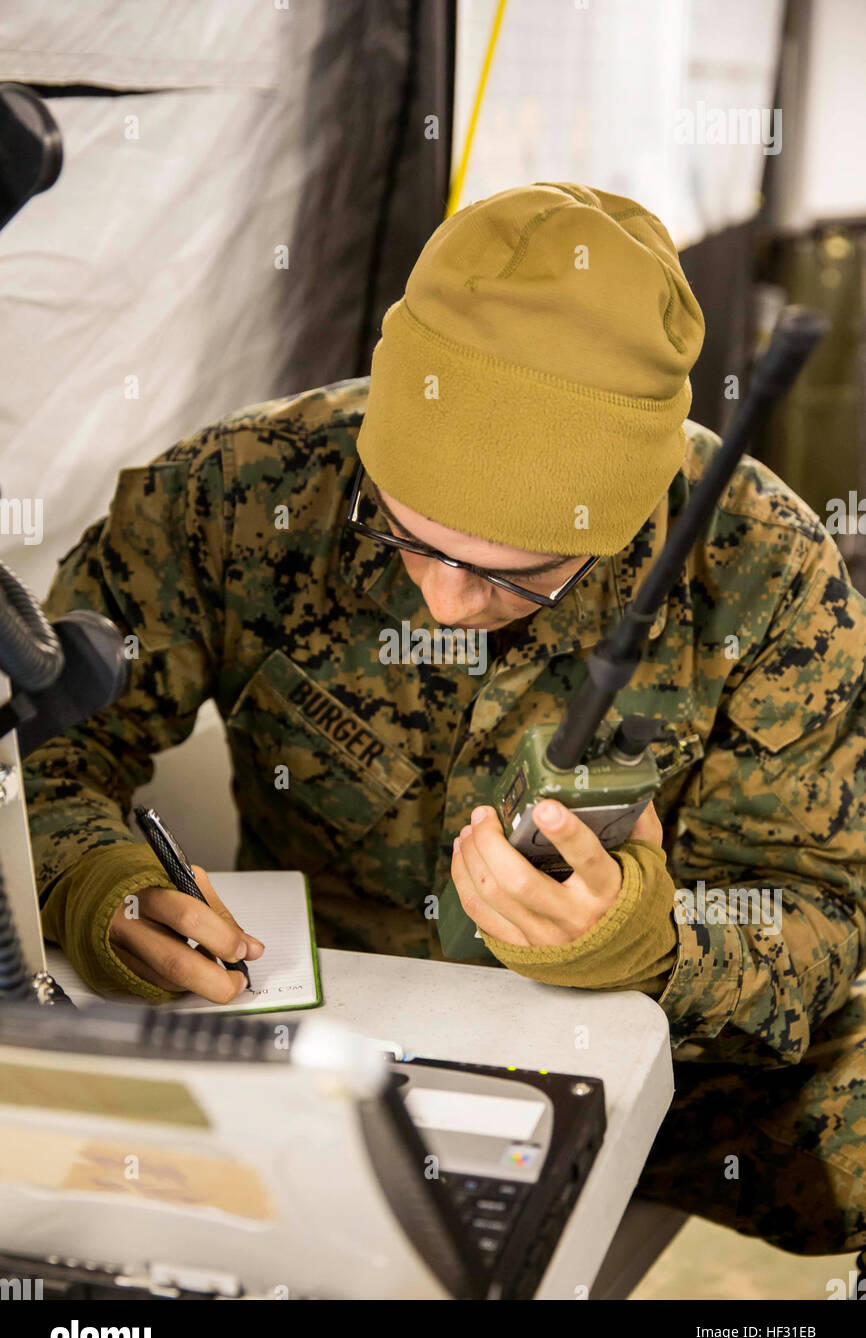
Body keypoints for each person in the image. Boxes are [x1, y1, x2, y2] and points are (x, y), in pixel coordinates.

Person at [23, 183, 866, 1263]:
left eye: (518, 575)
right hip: (306, 1029)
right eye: (406, 536)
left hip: (646, 1056)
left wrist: (652, 946)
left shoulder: (768, 573)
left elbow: (815, 918)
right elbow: (36, 750)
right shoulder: (238, 492)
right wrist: (91, 878)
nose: (446, 603)